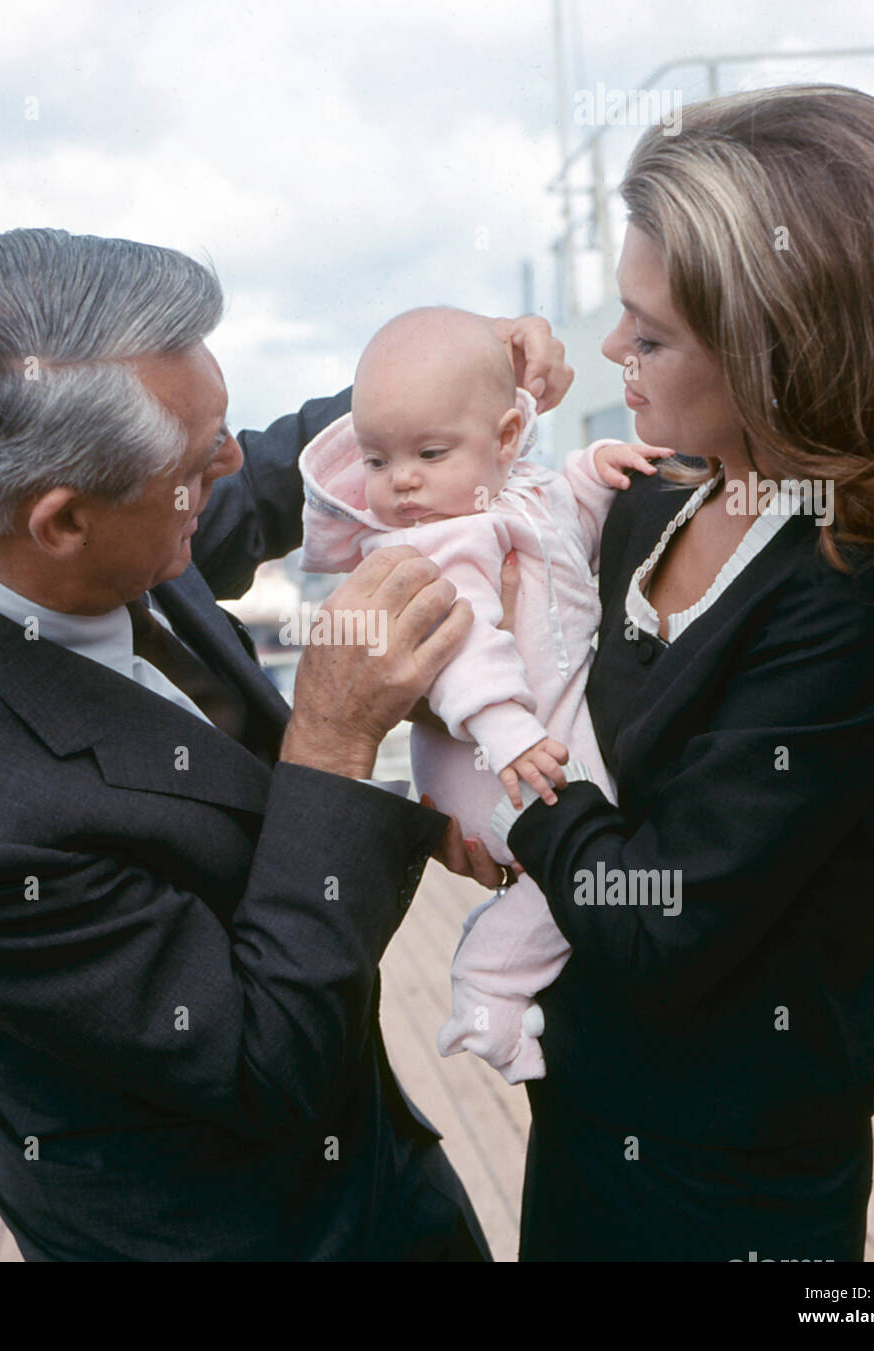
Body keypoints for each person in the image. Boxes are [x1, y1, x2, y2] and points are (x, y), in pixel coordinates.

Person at [0, 227, 569, 1261]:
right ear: (63, 522)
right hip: (240, 1227)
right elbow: (263, 1062)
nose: (232, 462)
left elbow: (257, 481)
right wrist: (332, 738)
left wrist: (464, 370)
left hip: (374, 1162)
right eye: (198, 458)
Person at [492, 85, 874, 1261]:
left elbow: (660, 918)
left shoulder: (852, 584)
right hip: (582, 1114)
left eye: (650, 333)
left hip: (731, 1183)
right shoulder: (650, 493)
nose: (614, 349)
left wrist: (515, 795)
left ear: (780, 350)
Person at [298, 306, 670, 1082]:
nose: (400, 480)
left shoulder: (512, 494)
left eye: (429, 453)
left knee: (571, 862)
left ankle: (498, 956)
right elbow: (463, 644)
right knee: (590, 850)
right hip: (496, 759)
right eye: (375, 460)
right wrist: (508, 734)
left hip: (519, 740)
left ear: (505, 439)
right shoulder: (434, 540)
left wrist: (595, 469)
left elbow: (562, 525)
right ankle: (490, 984)